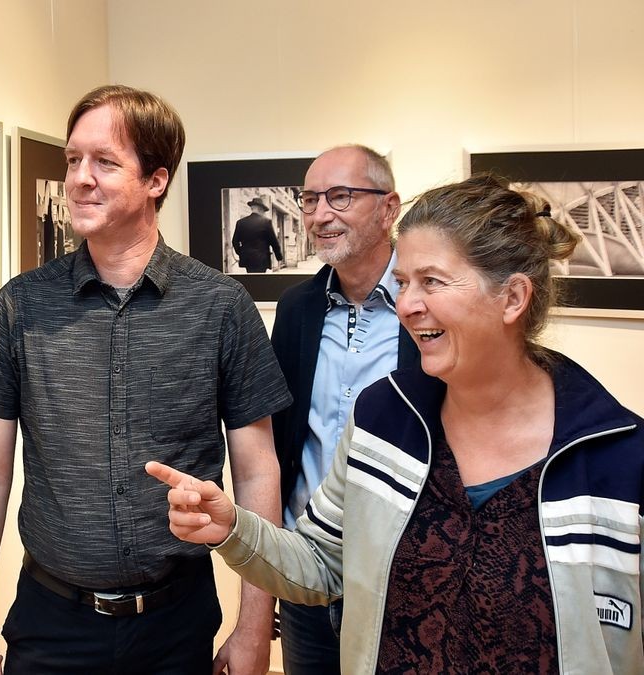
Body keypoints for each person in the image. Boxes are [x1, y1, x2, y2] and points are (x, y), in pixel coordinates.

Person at [148, 173, 644, 673]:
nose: (406, 305)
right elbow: (321, 563)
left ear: (513, 298)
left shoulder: (619, 460)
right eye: (403, 282)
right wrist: (232, 527)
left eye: (432, 281)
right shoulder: (383, 417)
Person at [0, 85, 291, 674]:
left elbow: (258, 468)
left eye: (104, 161)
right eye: (72, 159)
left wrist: (253, 627)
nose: (80, 177)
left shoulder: (220, 307)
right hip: (50, 621)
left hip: (176, 621)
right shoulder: (20, 307)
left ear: (156, 180)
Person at [269, 144, 414, 673]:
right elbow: (282, 439)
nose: (320, 215)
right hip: (309, 576)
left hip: (403, 577)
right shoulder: (296, 310)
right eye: (309, 200)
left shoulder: (426, 306)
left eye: (340, 197)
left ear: (388, 207)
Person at [231, 197, 282, 272]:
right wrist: (279, 257)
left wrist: (242, 253)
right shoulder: (266, 222)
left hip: (247, 259)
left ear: (252, 208)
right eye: (263, 211)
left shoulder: (240, 222)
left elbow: (235, 241)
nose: (264, 213)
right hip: (262, 259)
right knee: (261, 280)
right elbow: (274, 242)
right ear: (260, 209)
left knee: (251, 279)